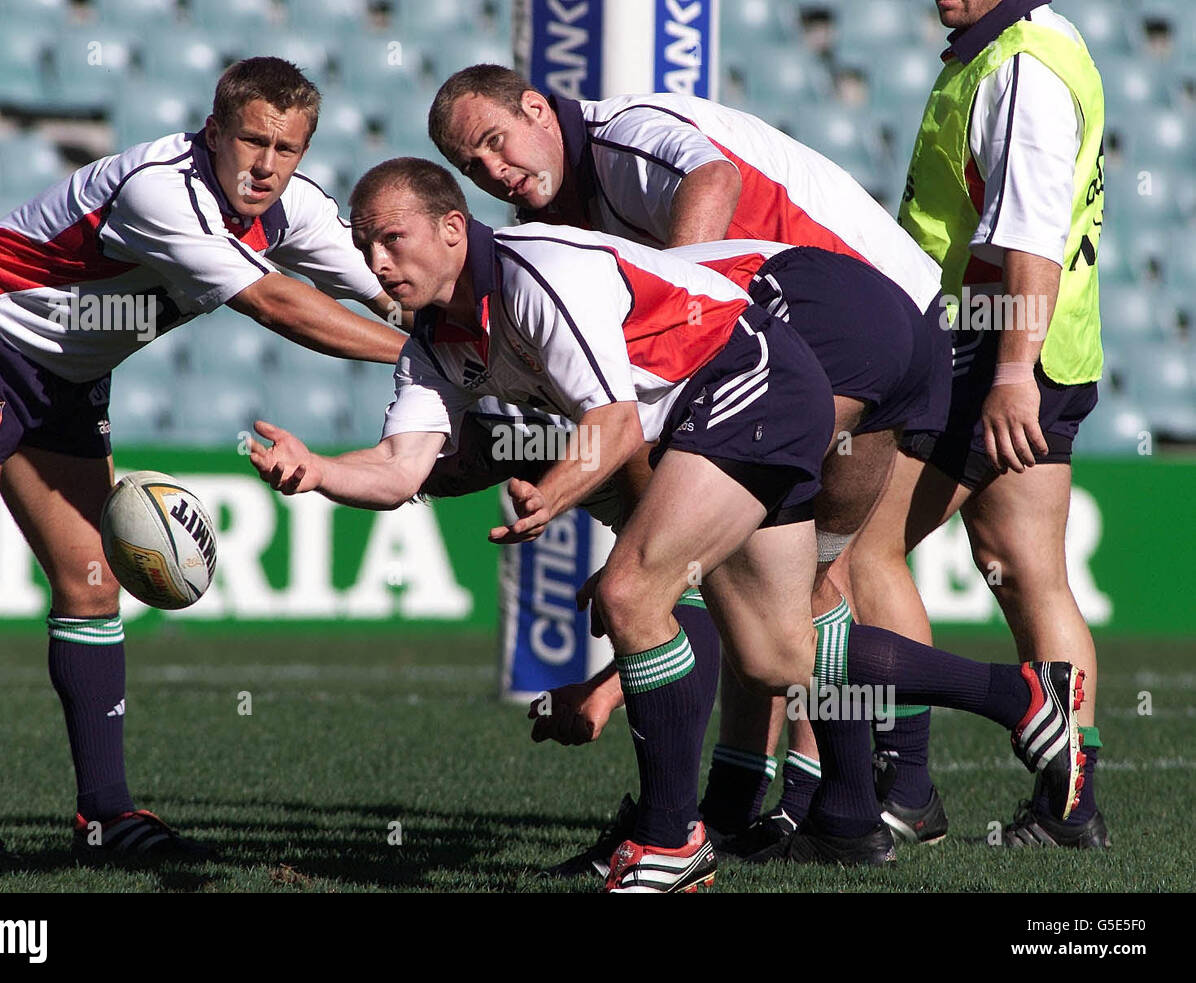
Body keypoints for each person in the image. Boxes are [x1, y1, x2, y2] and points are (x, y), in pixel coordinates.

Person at [248, 158, 1086, 891]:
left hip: (749, 379)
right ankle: (1018, 693)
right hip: (728, 400)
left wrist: (558, 494)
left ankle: (672, 838)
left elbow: (610, 424)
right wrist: (320, 470)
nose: (376, 262)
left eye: (392, 239)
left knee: (633, 589)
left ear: (454, 229)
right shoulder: (434, 343)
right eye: (364, 247)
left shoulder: (532, 274)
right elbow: (403, 468)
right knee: (780, 652)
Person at [426, 63, 954, 849]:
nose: (495, 173)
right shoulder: (565, 206)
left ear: (538, 108)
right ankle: (811, 802)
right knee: (798, 574)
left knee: (766, 563)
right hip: (836, 326)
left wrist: (687, 343)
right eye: (474, 168)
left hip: (854, 315)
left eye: (497, 143)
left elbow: (714, 178)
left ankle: (761, 808)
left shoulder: (622, 134)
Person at [0, 57, 407, 863]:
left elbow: (392, 290)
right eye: (252, 140)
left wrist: (471, 342)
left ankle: (106, 816)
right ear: (214, 131)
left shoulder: (296, 210)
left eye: (289, 149)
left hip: (68, 375)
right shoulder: (160, 192)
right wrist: (426, 358)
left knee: (94, 582)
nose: (267, 164)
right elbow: (277, 303)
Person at [844, 0, 1109, 849]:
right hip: (1051, 344)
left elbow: (1027, 233)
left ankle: (908, 790)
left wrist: (1006, 375)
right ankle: (1071, 806)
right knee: (1026, 567)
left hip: (994, 344)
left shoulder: (1019, 65)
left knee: (857, 551)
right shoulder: (1036, 43)